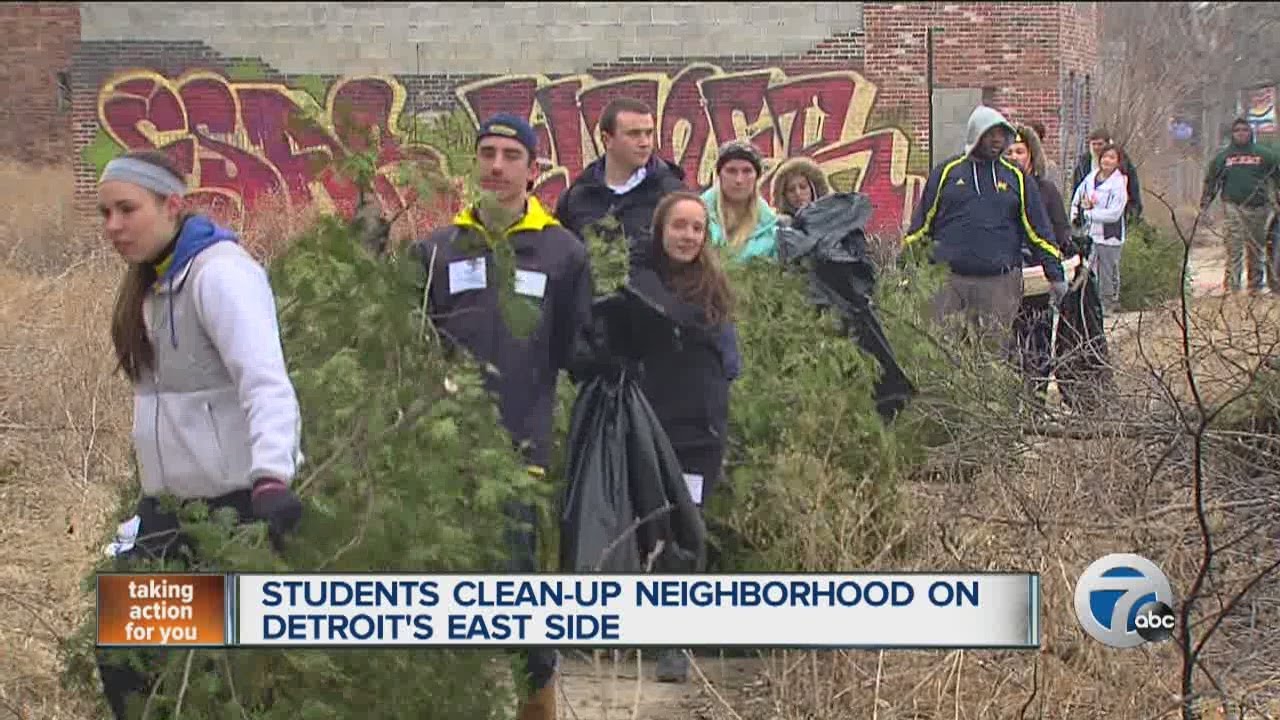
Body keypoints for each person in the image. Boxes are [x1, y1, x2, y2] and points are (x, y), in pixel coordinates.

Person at [94, 150, 304, 719]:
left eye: (127, 210)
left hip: (234, 505)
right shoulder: (150, 284)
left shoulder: (221, 275)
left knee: (230, 677)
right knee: (123, 651)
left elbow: (265, 381)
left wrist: (271, 477)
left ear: (172, 205)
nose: (113, 226)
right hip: (170, 507)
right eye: (105, 212)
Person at [409, 113, 593, 720]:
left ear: (533, 170)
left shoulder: (562, 252)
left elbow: (575, 349)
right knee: (437, 596)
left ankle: (535, 707)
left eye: (510, 155)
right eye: (486, 153)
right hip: (443, 449)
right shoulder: (437, 250)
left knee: (517, 598)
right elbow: (410, 345)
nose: (496, 165)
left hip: (521, 449)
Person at [626, 191, 740, 683]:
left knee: (686, 531)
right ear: (661, 230)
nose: (688, 236)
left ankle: (674, 641)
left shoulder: (715, 290)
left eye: (697, 227)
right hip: (646, 425)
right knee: (646, 526)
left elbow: (731, 364)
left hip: (699, 432)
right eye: (679, 226)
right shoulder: (636, 284)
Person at [903, 105, 1066, 350]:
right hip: (947, 281)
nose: (997, 140)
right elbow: (921, 227)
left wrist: (1055, 274)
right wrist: (903, 268)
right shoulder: (946, 173)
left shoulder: (1017, 178)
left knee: (992, 355)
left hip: (999, 283)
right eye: (991, 134)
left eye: (1002, 135)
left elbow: (1039, 231)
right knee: (942, 352)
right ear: (976, 134)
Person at [1007, 125, 1112, 411]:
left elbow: (1060, 231)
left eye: (1019, 151)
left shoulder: (1045, 191)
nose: (1014, 157)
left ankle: (1036, 400)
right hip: (1002, 279)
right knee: (1007, 343)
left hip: (1037, 279)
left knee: (1037, 336)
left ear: (1031, 155)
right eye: (1009, 152)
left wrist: (1071, 253)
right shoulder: (996, 190)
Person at [554, 97, 687, 249]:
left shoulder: (672, 194)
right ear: (607, 140)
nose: (645, 143)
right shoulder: (576, 197)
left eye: (649, 133)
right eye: (634, 134)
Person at [1201, 117, 1280, 295]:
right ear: (1232, 134)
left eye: (1245, 130)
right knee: (1234, 247)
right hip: (1233, 206)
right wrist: (1205, 203)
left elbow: (1277, 175)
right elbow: (1211, 181)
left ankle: (1255, 286)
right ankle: (1232, 287)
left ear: (1250, 132)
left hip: (1259, 208)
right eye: (1237, 131)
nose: (1241, 133)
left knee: (1255, 247)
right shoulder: (1224, 157)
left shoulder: (1264, 155)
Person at [1070, 144, 1130, 311]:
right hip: (1089, 233)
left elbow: (1115, 213)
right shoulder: (1090, 178)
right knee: (1089, 269)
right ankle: (1090, 304)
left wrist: (1089, 214)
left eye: (1112, 158)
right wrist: (1075, 216)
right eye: (1105, 157)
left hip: (1109, 235)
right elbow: (1077, 199)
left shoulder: (1119, 183)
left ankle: (1108, 303)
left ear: (1118, 162)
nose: (1107, 161)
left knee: (1108, 270)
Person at [702, 140, 780, 261]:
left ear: (756, 177)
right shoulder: (697, 217)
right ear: (719, 175)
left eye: (747, 171)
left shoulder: (770, 229)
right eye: (731, 171)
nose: (739, 180)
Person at [1071, 128, 1143, 221]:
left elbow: (1132, 187)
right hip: (1088, 217)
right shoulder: (1084, 163)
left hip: (1115, 217)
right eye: (1094, 144)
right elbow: (1078, 190)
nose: (1097, 148)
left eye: (1100, 144)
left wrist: (1132, 213)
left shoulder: (1122, 161)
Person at [771, 156, 831, 223]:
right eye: (791, 190)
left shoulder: (831, 216)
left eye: (803, 187)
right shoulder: (779, 225)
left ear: (813, 188)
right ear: (784, 195)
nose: (798, 193)